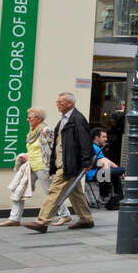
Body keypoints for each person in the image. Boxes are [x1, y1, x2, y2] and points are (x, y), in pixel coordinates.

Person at [24, 93, 94, 233]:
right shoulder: (65, 119)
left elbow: (85, 141)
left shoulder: (77, 119)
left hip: (69, 164)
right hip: (65, 162)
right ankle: (86, 219)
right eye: (57, 102)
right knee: (75, 193)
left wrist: (87, 162)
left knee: (54, 191)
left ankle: (42, 222)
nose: (57, 104)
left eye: (60, 102)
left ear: (69, 103)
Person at [0, 108, 69, 227]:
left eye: (30, 118)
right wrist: (27, 156)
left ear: (39, 119)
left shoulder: (46, 130)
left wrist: (52, 165)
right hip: (31, 165)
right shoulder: (32, 131)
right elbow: (34, 148)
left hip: (43, 167)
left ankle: (65, 215)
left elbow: (53, 149)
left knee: (51, 193)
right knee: (18, 190)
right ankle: (14, 218)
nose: (27, 120)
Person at [87, 128, 124, 209]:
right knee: (120, 170)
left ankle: (117, 199)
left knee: (116, 173)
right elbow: (103, 162)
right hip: (92, 173)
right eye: (103, 137)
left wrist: (118, 169)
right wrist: (121, 170)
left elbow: (105, 161)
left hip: (98, 172)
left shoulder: (94, 147)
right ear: (96, 138)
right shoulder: (94, 147)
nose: (106, 139)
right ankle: (105, 196)